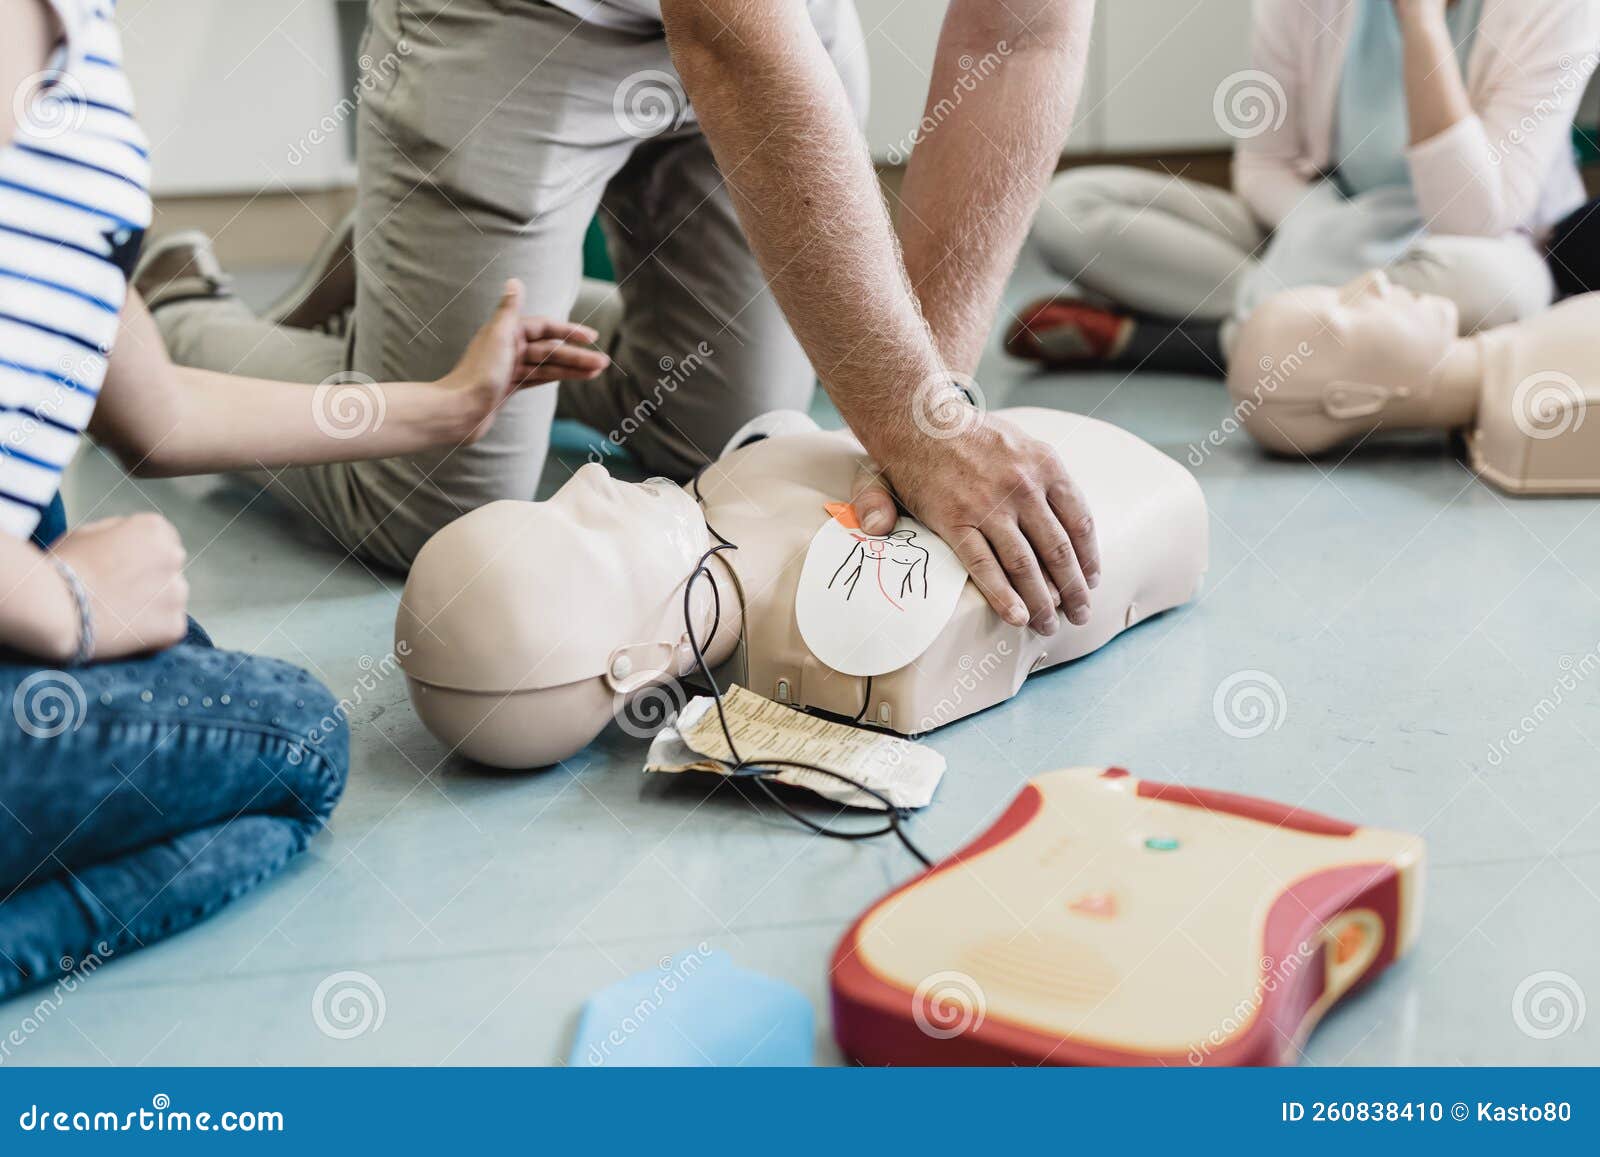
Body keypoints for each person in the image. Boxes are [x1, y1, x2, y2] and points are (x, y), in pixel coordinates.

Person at [146, 0, 1104, 643]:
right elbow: (722, 30)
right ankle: (179, 310)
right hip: (520, 18)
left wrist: (930, 420)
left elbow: (1020, 31)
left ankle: (408, 283)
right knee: (431, 504)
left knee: (721, 443)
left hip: (781, 23)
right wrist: (916, 425)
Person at [0, 0, 603, 997]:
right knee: (293, 742)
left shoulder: (79, 48)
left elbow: (159, 412)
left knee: (216, 709)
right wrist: (62, 603)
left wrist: (448, 405)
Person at [393, 407, 1208, 769]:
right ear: (630, 664)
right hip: (1118, 483)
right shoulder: (849, 639)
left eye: (551, 499)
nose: (592, 479)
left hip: (1013, 443)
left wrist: (921, 419)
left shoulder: (709, 500)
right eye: (586, 531)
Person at [1007, 0, 1598, 376]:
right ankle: (1324, 341)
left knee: (1497, 292)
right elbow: (1263, 167)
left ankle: (1180, 344)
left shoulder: (1560, 9)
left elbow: (1469, 218)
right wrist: (1322, 233)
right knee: (1070, 209)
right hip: (1323, 216)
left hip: (1474, 246)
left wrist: (1419, 22)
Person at [1226, 270, 1600, 496]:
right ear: (1351, 400)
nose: (1373, 280)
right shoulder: (1545, 411)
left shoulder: (1525, 348)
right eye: (1340, 313)